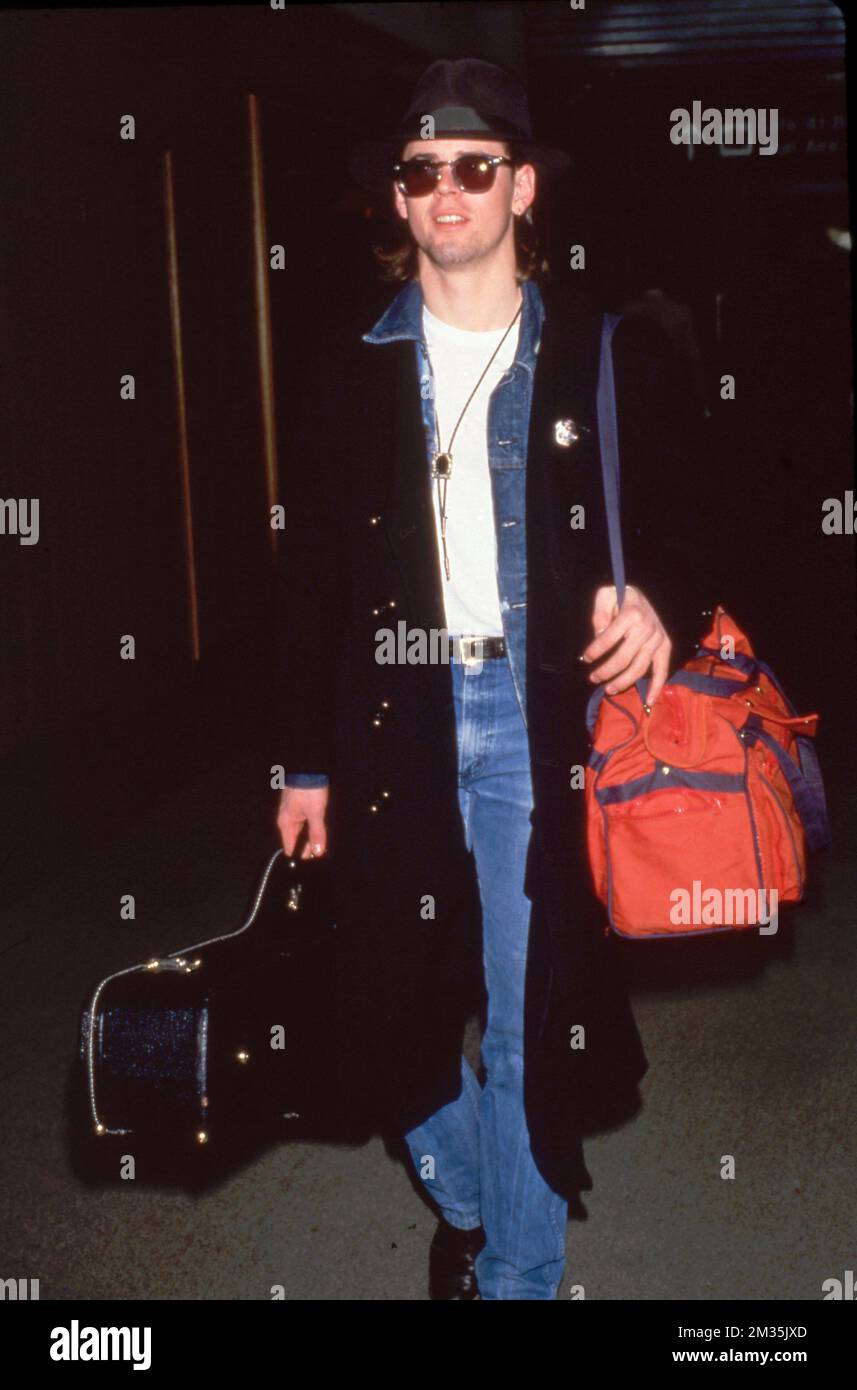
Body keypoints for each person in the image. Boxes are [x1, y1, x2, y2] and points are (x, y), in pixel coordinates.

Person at [272, 58, 714, 1300]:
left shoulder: (604, 352)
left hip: (539, 721)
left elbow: (696, 514)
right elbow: (306, 579)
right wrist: (303, 761)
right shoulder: (346, 366)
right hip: (390, 729)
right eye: (422, 172)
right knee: (384, 1013)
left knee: (528, 1022)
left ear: (519, 189)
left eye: (474, 167)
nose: (446, 189)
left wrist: (659, 600)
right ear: (399, 204)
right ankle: (470, 1195)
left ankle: (517, 1274)